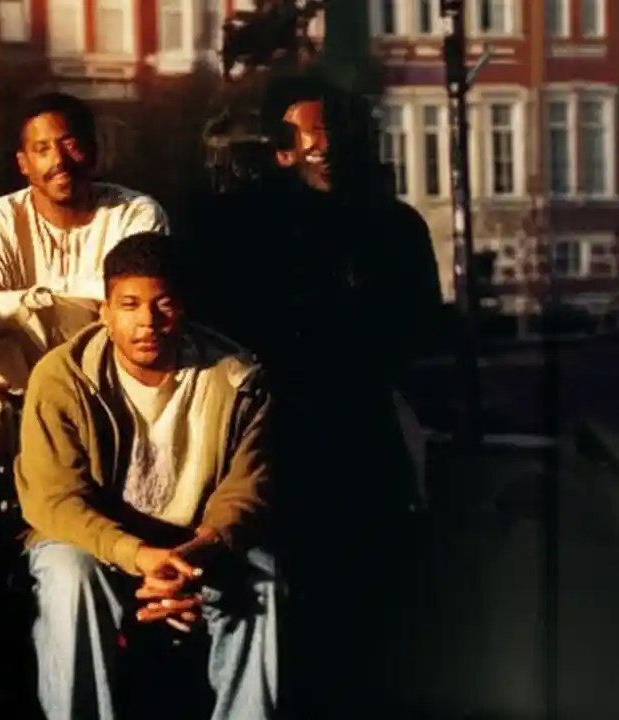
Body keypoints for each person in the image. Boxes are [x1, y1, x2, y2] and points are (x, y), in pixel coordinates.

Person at [196, 74, 443, 714]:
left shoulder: (393, 227)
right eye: (305, 135)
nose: (322, 147)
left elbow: (417, 333)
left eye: (331, 132)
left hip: (361, 433)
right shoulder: (239, 225)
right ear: (279, 147)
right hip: (273, 436)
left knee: (371, 600)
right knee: (286, 598)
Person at [0, 92, 168, 595]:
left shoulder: (135, 214)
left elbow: (138, 315)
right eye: (43, 149)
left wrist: (22, 305)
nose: (58, 161)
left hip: (103, 399)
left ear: (93, 152)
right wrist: (62, 301)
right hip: (5, 395)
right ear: (23, 163)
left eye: (70, 144)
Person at [16, 232, 276, 720]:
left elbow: (247, 491)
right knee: (66, 576)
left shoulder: (237, 377)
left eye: (164, 304)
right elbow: (55, 501)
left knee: (261, 579)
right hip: (97, 545)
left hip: (195, 548)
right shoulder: (63, 378)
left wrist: (190, 558)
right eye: (130, 305)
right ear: (105, 312)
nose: (147, 322)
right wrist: (136, 556)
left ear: (184, 307)